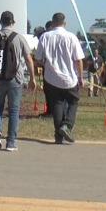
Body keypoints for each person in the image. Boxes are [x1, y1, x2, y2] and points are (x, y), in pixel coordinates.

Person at [0, 11, 36, 152]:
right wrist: (32, 78)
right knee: (13, 111)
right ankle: (11, 142)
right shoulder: (19, 38)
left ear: (0, 22)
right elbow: (28, 59)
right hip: (15, 79)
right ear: (13, 22)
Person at [34, 12, 85, 144]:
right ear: (65, 23)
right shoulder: (71, 37)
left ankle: (58, 135)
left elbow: (38, 59)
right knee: (73, 101)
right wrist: (80, 77)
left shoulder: (45, 37)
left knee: (57, 104)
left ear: (52, 23)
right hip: (69, 77)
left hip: (51, 77)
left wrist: (47, 64)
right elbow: (79, 60)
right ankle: (67, 125)